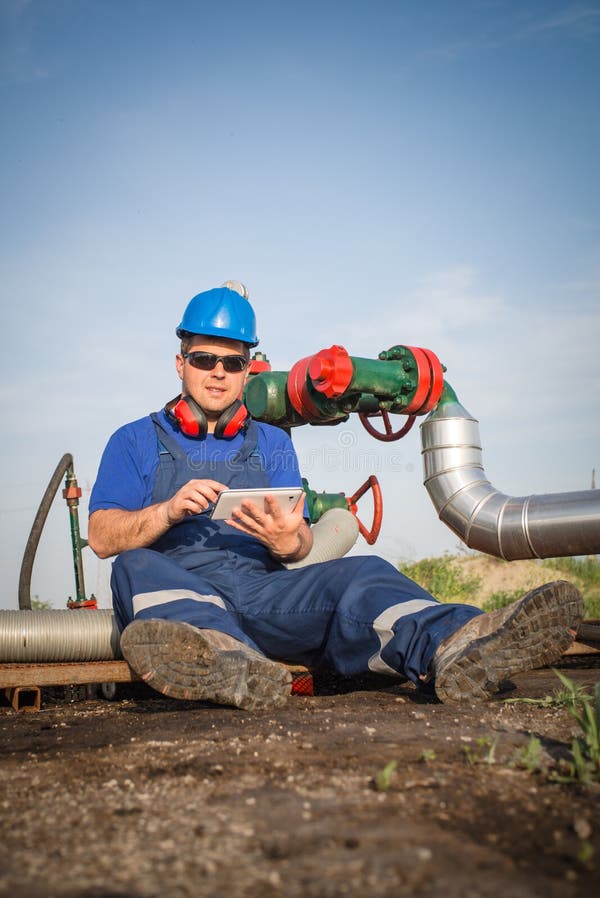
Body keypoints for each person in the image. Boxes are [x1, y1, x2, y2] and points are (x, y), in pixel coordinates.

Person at [88, 283, 583, 710]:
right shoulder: (134, 440)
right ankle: (223, 663)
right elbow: (103, 536)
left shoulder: (273, 442)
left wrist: (290, 543)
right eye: (204, 359)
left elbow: (301, 541)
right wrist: (167, 511)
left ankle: (459, 643)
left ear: (247, 370)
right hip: (186, 591)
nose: (218, 372)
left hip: (265, 594)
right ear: (181, 363)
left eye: (232, 362)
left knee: (365, 571)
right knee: (133, 565)